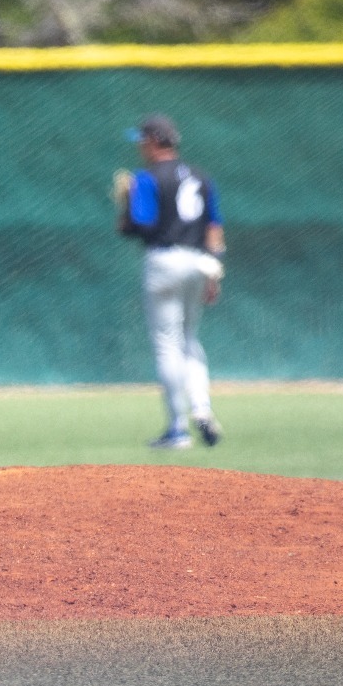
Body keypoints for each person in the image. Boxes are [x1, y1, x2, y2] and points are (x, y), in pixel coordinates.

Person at [115, 115, 225, 449]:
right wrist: (215, 270)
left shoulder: (146, 178)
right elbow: (214, 228)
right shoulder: (201, 177)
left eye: (142, 140)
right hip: (199, 262)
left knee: (167, 342)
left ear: (153, 141)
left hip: (164, 261)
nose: (139, 146)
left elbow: (139, 226)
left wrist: (125, 206)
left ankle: (177, 427)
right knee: (189, 339)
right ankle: (202, 408)